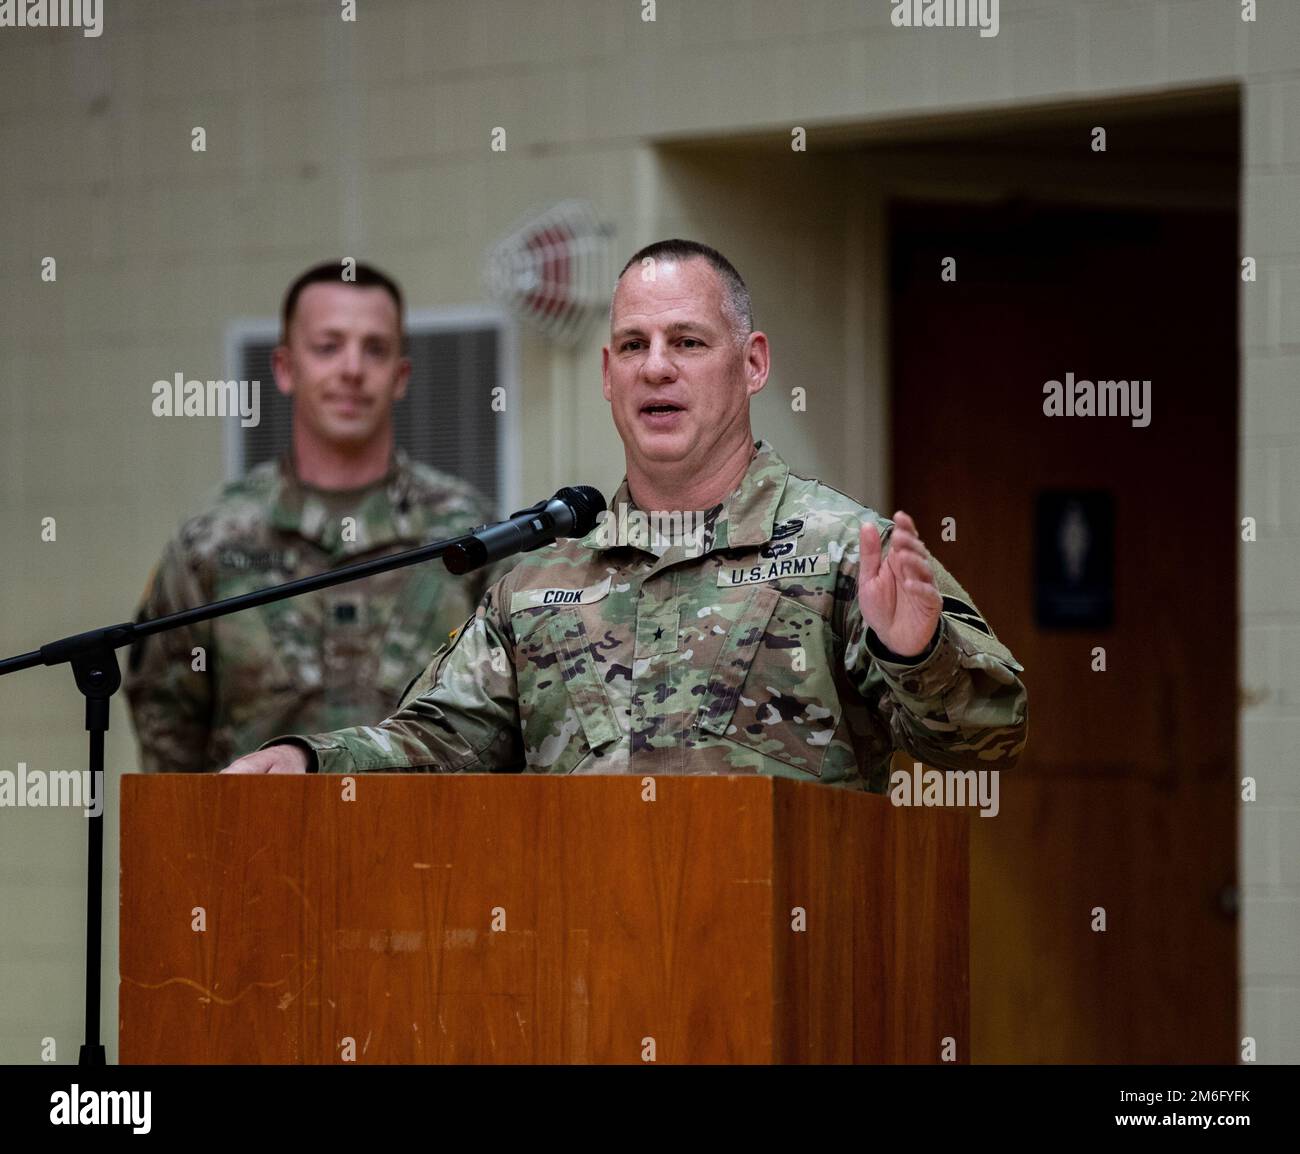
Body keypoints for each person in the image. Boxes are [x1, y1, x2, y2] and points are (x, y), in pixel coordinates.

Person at [222, 240, 1027, 790]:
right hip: (583, 981)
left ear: (752, 364)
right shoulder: (539, 577)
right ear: (607, 375)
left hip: (789, 976)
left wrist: (916, 650)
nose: (658, 369)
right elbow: (438, 742)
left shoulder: (844, 551)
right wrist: (312, 762)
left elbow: (990, 736)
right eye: (635, 346)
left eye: (688, 341)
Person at [127, 260, 504, 771]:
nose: (351, 368)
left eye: (374, 349)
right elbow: (167, 725)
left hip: (429, 843)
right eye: (328, 346)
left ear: (400, 376)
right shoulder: (213, 541)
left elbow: (502, 717)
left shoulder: (469, 533)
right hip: (254, 841)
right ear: (285, 368)